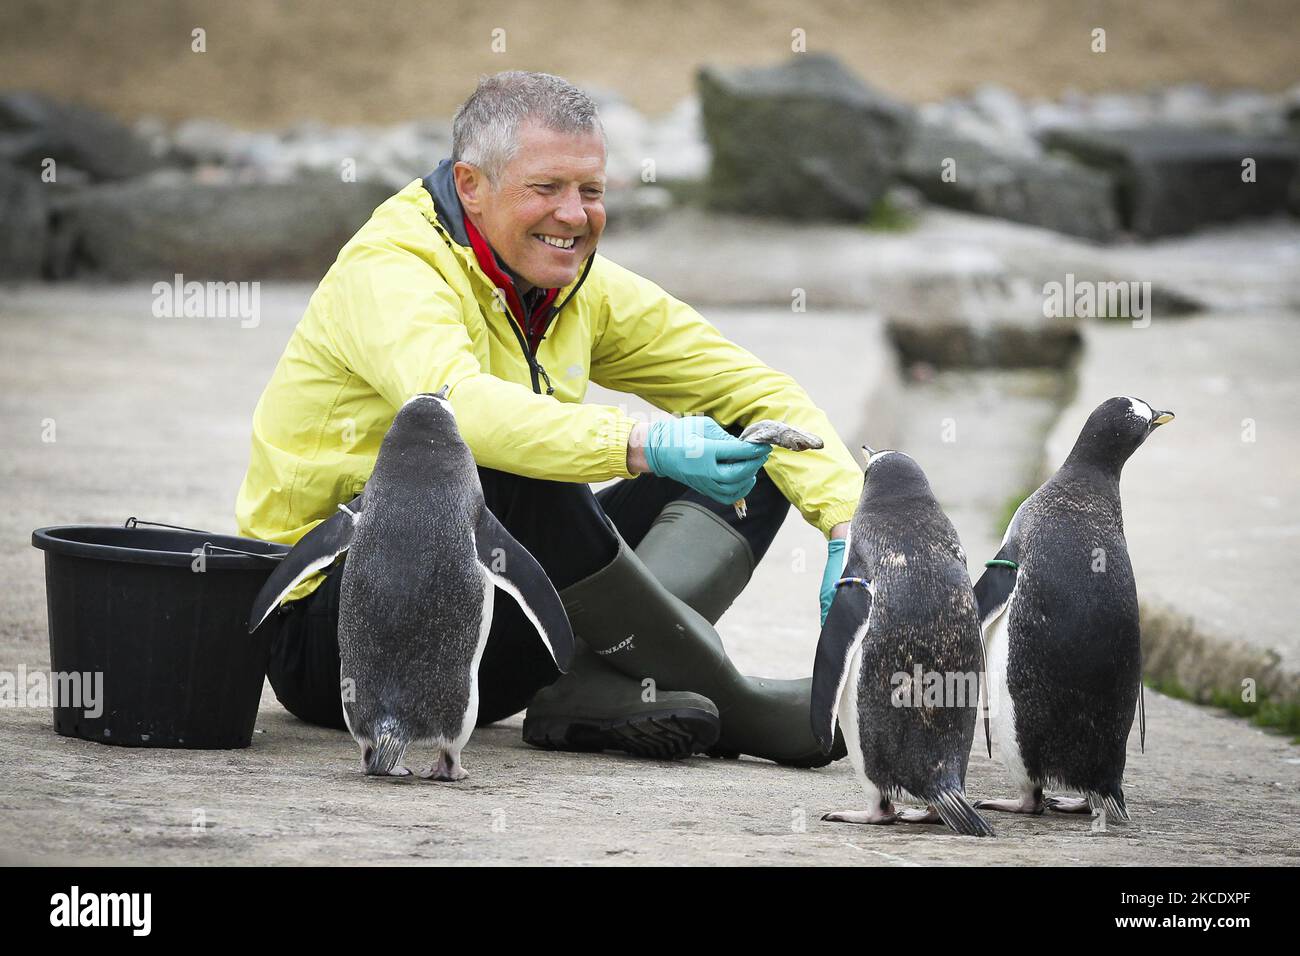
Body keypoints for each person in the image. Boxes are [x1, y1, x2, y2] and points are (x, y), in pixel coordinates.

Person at [236, 71, 863, 766]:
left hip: (489, 628)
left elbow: (752, 388)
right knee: (490, 467)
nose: (574, 215)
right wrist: (638, 440)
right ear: (470, 185)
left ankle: (592, 686)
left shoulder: (571, 280)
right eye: (546, 189)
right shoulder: (392, 269)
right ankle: (733, 698)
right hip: (348, 643)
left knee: (759, 448)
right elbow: (463, 410)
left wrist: (848, 526)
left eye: (590, 191)